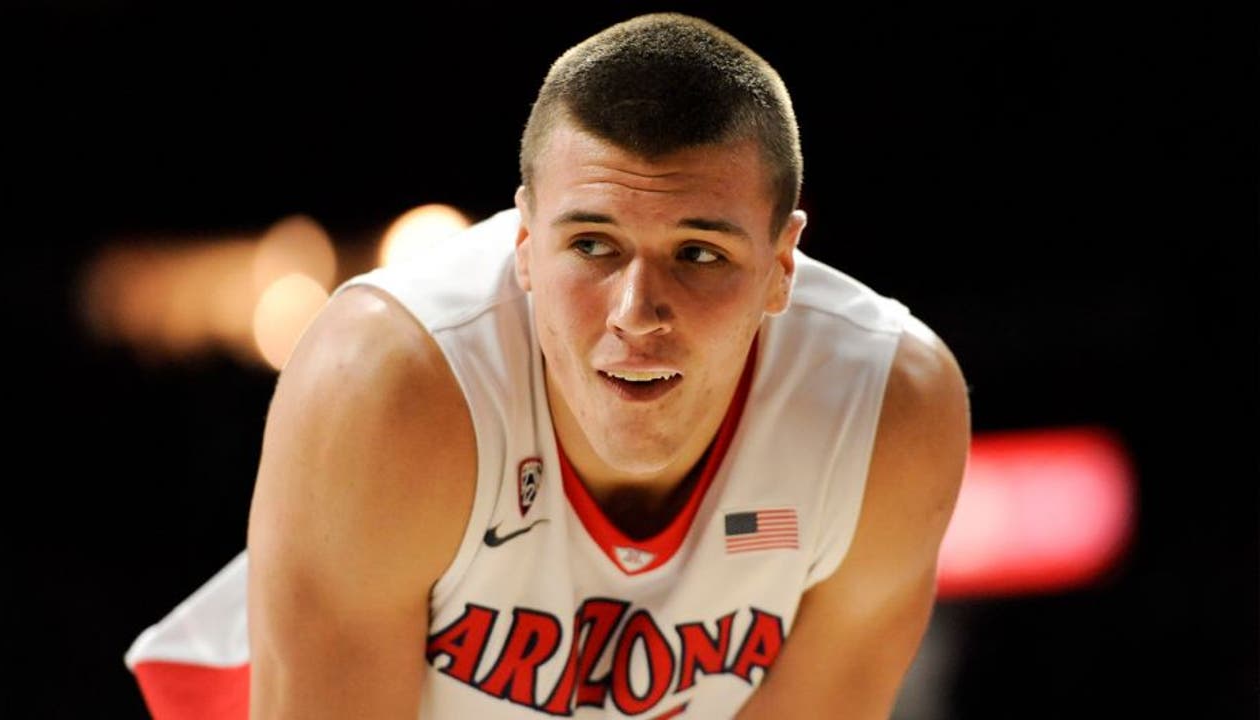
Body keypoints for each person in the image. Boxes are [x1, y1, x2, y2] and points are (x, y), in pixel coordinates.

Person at [125, 12, 969, 719]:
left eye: (699, 254)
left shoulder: (885, 411)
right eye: (592, 245)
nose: (636, 311)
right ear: (525, 244)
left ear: (783, 265)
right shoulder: (387, 384)